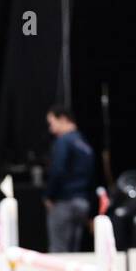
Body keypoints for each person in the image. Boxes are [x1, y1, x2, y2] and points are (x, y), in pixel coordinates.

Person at [44, 105, 95, 252]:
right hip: (82, 203)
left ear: (63, 119)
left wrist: (49, 196)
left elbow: (57, 170)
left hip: (64, 202)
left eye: (52, 123)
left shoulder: (63, 141)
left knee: (59, 250)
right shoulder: (84, 144)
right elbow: (91, 177)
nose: (50, 128)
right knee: (74, 251)